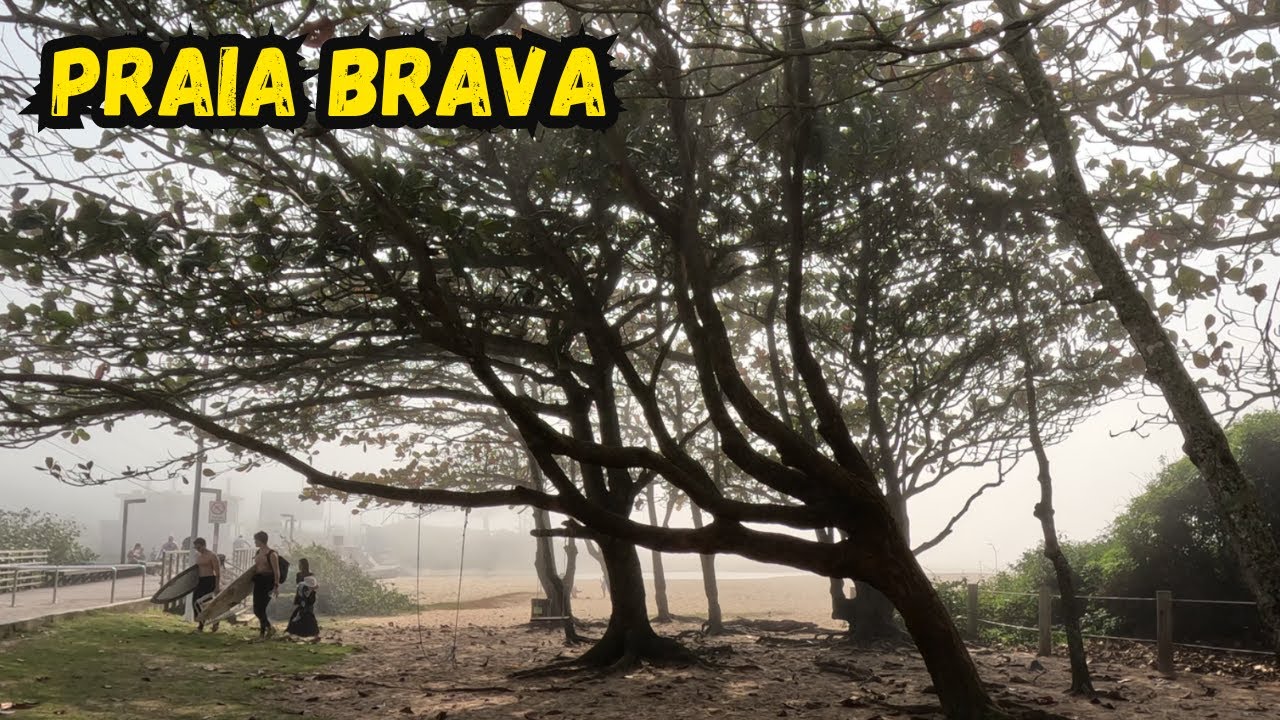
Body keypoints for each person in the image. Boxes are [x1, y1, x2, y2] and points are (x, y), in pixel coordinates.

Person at [251, 531, 282, 640]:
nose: (254, 542)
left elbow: (276, 571)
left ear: (261, 540)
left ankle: (262, 633)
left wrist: (276, 586)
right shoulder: (258, 552)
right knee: (256, 608)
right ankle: (269, 628)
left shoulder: (272, 554)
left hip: (268, 582)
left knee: (261, 608)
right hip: (258, 581)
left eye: (255, 540)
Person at [192, 537, 221, 632]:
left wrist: (217, 586)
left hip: (210, 580)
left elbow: (217, 572)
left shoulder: (212, 555)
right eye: (196, 548)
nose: (198, 549)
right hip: (200, 581)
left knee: (208, 603)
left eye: (199, 547)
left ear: (204, 545)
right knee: (196, 601)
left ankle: (215, 622)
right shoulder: (198, 556)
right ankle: (201, 623)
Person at [285, 558, 320, 639]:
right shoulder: (298, 575)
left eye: (300, 565)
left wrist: (309, 590)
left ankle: (313, 632)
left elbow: (316, 586)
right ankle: (296, 631)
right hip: (301, 595)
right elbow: (298, 585)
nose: (299, 566)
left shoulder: (311, 575)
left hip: (309, 597)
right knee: (300, 613)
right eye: (299, 565)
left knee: (308, 613)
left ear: (304, 565)